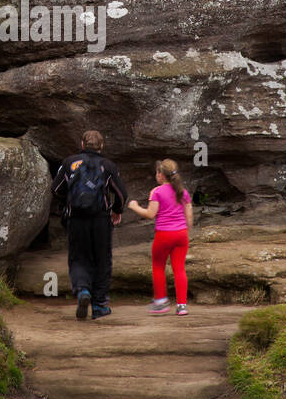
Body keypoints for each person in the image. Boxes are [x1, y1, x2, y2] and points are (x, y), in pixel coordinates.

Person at [51, 130, 127, 320]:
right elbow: (121, 194)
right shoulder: (108, 165)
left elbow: (56, 189)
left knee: (78, 257)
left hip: (76, 218)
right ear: (101, 147)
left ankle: (83, 290)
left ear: (82, 145)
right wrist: (117, 210)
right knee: (102, 259)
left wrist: (69, 201)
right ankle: (99, 305)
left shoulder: (69, 163)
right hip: (101, 219)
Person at [128, 159, 193, 316]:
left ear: (161, 175)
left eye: (157, 172)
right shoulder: (183, 192)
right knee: (179, 269)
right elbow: (189, 217)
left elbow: (150, 214)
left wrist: (135, 206)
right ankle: (182, 306)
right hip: (181, 234)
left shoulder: (157, 192)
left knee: (158, 266)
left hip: (164, 234)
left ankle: (160, 302)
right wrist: (184, 230)